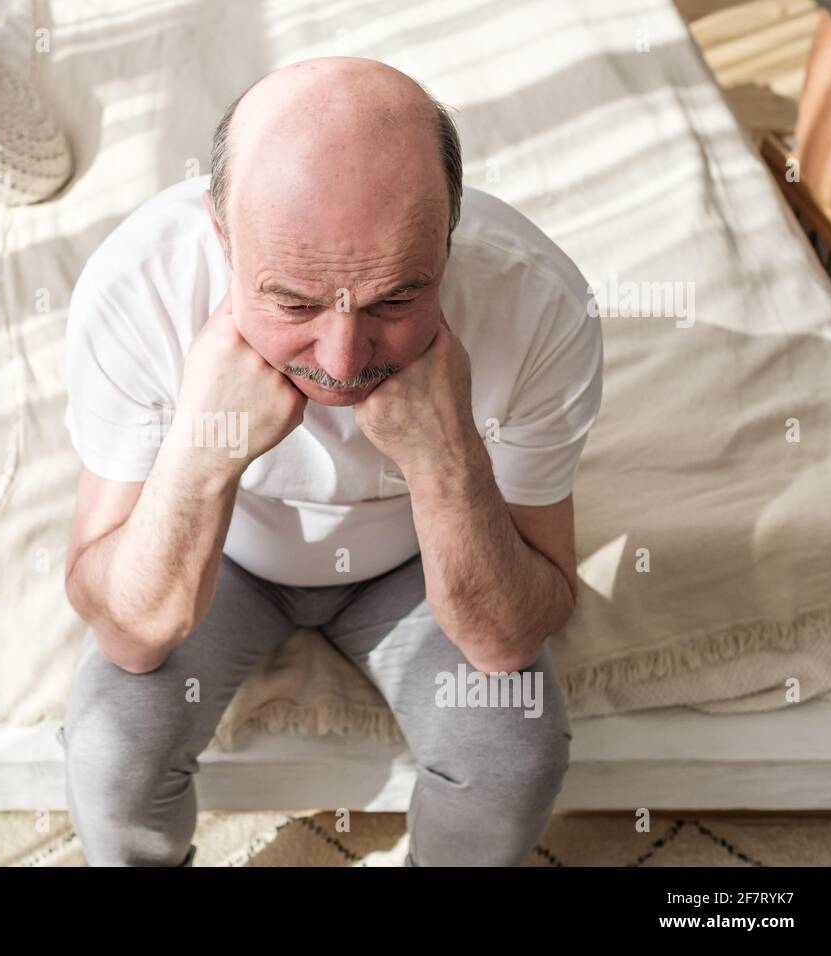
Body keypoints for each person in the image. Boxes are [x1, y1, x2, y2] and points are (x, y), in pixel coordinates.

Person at [57, 56, 604, 866]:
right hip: (227, 553)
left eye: (395, 300)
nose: (343, 362)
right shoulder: (135, 288)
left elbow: (508, 641)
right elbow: (131, 636)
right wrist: (202, 453)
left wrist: (446, 459)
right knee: (108, 753)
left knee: (513, 756)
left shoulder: (543, 304)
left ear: (450, 229)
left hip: (418, 558)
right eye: (294, 303)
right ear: (220, 231)